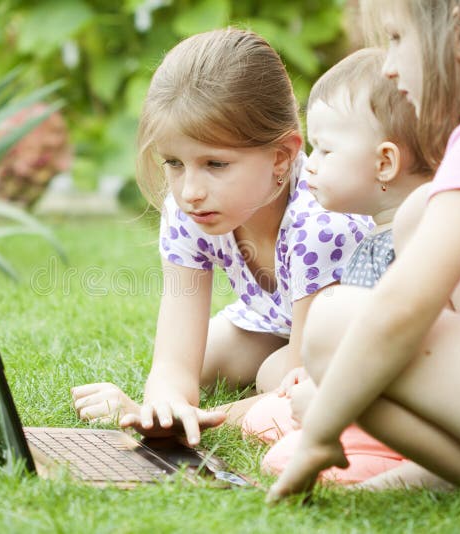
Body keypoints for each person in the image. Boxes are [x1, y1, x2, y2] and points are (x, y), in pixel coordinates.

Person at [268, 0, 460, 504]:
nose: (388, 65)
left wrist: (321, 427)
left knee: (331, 326)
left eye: (396, 39)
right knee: (419, 214)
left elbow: (403, 307)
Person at [71, 28, 371, 446]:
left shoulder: (321, 224)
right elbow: (173, 361)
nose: (190, 190)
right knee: (204, 358)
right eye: (174, 163)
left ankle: (255, 375)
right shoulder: (189, 210)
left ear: (281, 157)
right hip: (270, 321)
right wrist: (163, 404)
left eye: (215, 163)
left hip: (351, 337)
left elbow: (300, 391)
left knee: (276, 377)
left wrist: (188, 418)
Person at [243, 47, 453, 489]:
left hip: (404, 409)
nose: (311, 163)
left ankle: (386, 455)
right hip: (362, 396)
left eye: (325, 149)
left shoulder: (421, 239)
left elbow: (415, 353)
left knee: (279, 453)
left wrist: (328, 393)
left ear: (385, 163)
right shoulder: (372, 236)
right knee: (265, 416)